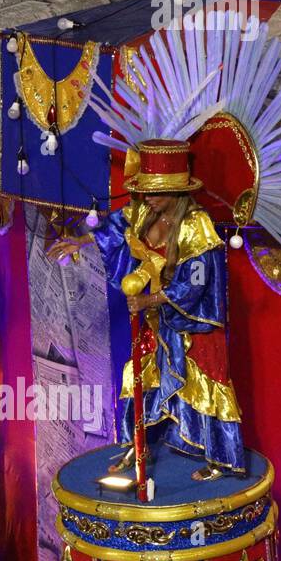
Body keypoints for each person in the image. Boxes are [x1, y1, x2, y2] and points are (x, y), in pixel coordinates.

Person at [51, 139, 241, 480]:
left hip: (192, 323)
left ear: (176, 190)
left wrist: (148, 301)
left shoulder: (196, 226)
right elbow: (116, 228)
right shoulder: (145, 211)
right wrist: (80, 241)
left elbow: (196, 283)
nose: (146, 197)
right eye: (143, 190)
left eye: (155, 191)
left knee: (202, 386)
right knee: (140, 377)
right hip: (157, 321)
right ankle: (138, 447)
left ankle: (218, 461)